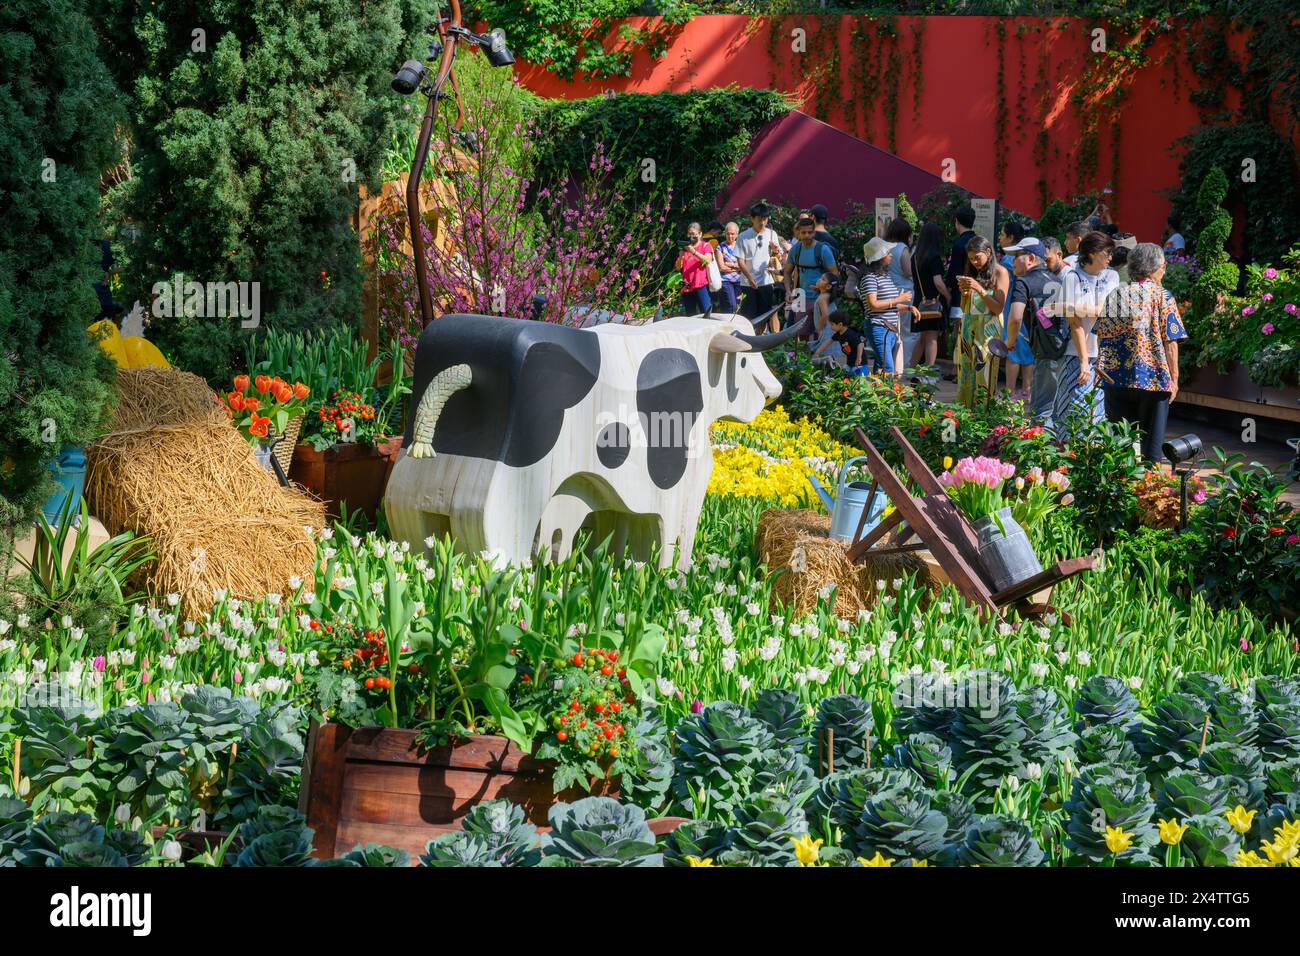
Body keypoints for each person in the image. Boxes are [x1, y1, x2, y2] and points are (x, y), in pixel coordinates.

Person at [1095, 242, 1188, 461]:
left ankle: (1119, 490)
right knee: (1151, 449)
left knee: (1119, 446)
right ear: (1153, 268)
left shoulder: (1115, 295)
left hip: (1115, 380)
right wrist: (1174, 379)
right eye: (1163, 266)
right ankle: (1149, 491)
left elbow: (1101, 336)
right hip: (1153, 381)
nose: (1164, 271)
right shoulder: (1162, 296)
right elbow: (1171, 342)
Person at [1048, 230, 1119, 433]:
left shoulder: (1111, 275)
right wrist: (1083, 360)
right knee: (1074, 409)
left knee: (1097, 413)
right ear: (1093, 253)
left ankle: (1090, 460)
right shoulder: (1073, 277)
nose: (1110, 258)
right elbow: (1074, 322)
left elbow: (1109, 310)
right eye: (1107, 253)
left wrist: (1076, 307)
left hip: (1104, 356)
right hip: (1076, 355)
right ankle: (1066, 457)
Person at [1004, 236, 1061, 424]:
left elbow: (1015, 317)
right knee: (1058, 407)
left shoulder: (1023, 281)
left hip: (1045, 350)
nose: (1012, 261)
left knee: (1041, 409)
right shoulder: (1058, 279)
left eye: (1017, 256)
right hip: (1065, 349)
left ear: (1030, 258)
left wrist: (1010, 342)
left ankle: (1041, 450)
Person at [954, 235, 1010, 407]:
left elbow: (998, 308)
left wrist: (979, 289)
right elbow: (965, 308)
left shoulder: (1000, 272)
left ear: (988, 252)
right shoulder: (973, 273)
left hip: (988, 329)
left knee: (984, 374)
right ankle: (964, 416)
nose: (974, 262)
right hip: (968, 327)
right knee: (965, 374)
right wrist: (964, 295)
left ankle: (983, 419)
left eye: (977, 258)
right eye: (971, 259)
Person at [860, 236, 919, 377]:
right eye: (888, 252)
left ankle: (875, 396)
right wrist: (899, 299)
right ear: (879, 257)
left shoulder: (885, 276)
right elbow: (873, 305)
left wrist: (908, 308)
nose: (891, 254)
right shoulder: (870, 278)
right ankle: (888, 396)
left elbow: (888, 305)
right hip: (879, 327)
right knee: (888, 368)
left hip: (889, 329)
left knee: (881, 366)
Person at [785, 213, 839, 338]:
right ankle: (804, 357)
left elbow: (834, 274)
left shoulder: (823, 250)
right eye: (803, 233)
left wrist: (824, 288)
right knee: (800, 333)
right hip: (800, 296)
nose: (807, 236)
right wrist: (788, 291)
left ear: (814, 232)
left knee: (821, 334)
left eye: (810, 232)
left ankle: (818, 357)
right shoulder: (795, 250)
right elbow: (787, 272)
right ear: (798, 233)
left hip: (820, 297)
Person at [998, 224, 1035, 400]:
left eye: (1002, 234)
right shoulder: (1029, 264)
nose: (999, 237)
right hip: (1028, 311)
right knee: (1027, 351)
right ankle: (1027, 391)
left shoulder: (1007, 261)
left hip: (1011, 309)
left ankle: (1009, 393)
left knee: (1011, 349)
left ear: (1011, 238)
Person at [735, 202, 786, 329]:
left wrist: (775, 250)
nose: (762, 222)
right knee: (749, 316)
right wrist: (750, 278)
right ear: (752, 218)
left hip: (767, 281)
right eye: (759, 219)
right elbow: (740, 261)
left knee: (768, 313)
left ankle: (768, 341)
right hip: (748, 283)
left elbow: (778, 257)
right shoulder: (743, 236)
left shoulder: (771, 234)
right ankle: (750, 341)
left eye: (765, 219)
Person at [909, 221, 949, 369]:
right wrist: (948, 296)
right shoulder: (934, 256)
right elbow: (938, 281)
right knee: (932, 338)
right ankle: (928, 371)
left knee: (922, 337)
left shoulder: (915, 257)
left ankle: (911, 369)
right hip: (933, 303)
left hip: (919, 302)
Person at [884, 217, 915, 373]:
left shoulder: (886, 247)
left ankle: (889, 364)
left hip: (888, 292)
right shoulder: (902, 248)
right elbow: (908, 271)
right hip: (904, 292)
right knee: (906, 331)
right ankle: (904, 366)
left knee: (890, 329)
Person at [944, 205, 978, 325]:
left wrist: (947, 292)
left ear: (957, 222)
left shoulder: (959, 245)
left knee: (960, 334)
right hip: (979, 295)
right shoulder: (979, 242)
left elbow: (954, 272)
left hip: (960, 295)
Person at [813, 310, 869, 375]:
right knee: (847, 378)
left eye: (832, 324)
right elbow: (827, 343)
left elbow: (860, 344)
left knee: (859, 381)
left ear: (840, 324)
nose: (831, 327)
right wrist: (817, 352)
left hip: (860, 364)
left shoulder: (850, 334)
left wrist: (859, 358)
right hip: (850, 363)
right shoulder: (838, 334)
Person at [678, 222, 714, 316]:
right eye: (689, 234)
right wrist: (681, 254)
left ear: (700, 234)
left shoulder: (705, 246)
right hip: (687, 286)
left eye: (694, 234)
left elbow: (707, 260)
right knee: (690, 315)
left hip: (701, 284)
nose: (691, 236)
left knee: (706, 313)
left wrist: (693, 251)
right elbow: (678, 267)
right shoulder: (685, 248)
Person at [713, 221, 744, 315]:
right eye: (728, 234)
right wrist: (737, 266)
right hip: (726, 281)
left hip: (739, 281)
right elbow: (721, 267)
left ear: (737, 234)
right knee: (731, 305)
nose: (730, 236)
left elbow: (744, 265)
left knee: (739, 306)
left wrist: (730, 264)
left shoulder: (741, 246)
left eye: (732, 234)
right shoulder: (720, 247)